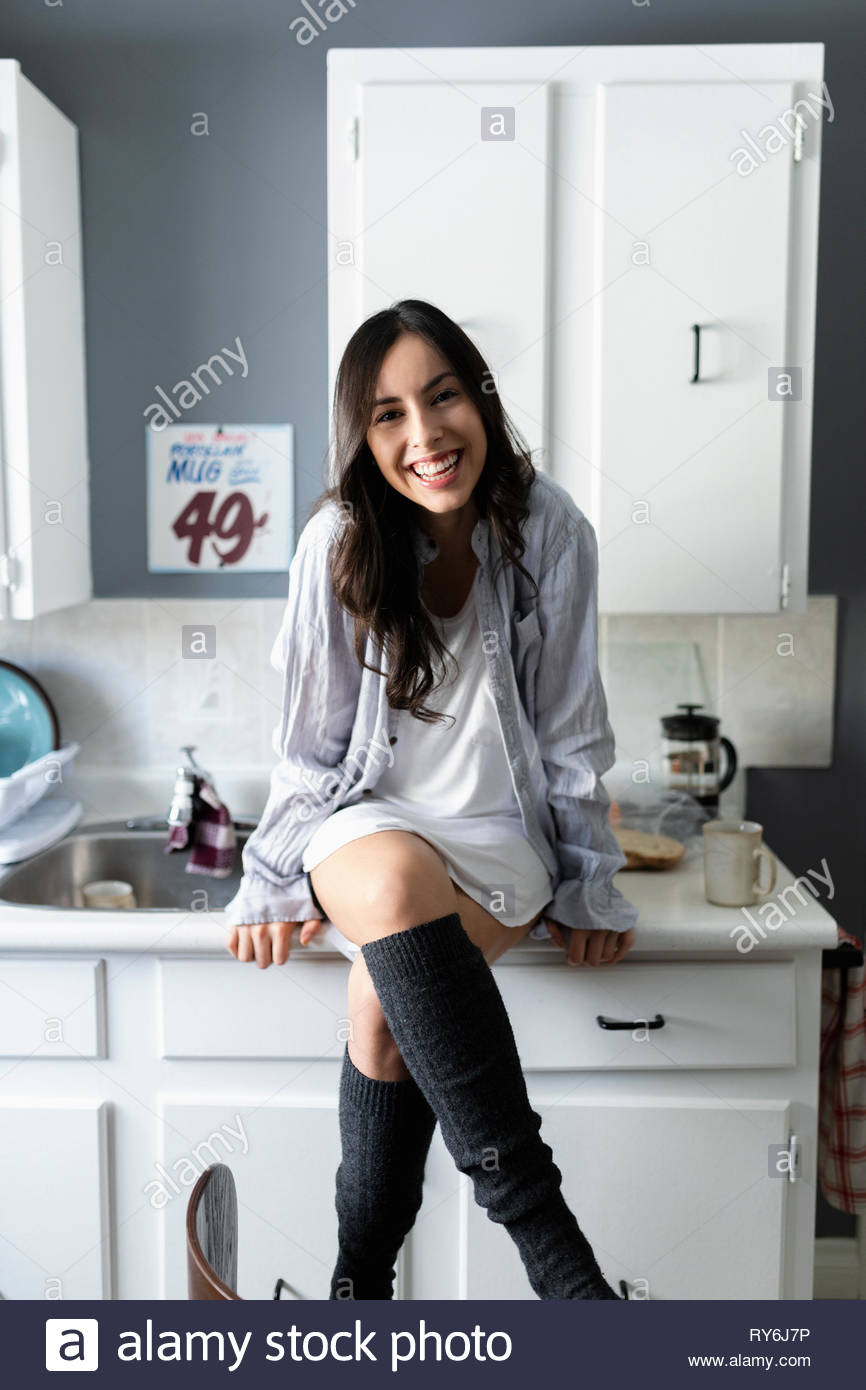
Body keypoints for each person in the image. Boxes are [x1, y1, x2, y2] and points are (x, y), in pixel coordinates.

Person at [223, 298, 639, 1301]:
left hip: (498, 839)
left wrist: (587, 885)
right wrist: (270, 877)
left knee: (379, 1021)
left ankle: (355, 1284)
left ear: (479, 397)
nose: (423, 435)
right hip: (363, 829)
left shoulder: (550, 529)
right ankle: (560, 1266)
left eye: (441, 396)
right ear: (363, 438)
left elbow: (571, 734)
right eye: (387, 414)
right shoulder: (337, 541)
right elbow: (308, 746)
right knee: (398, 873)